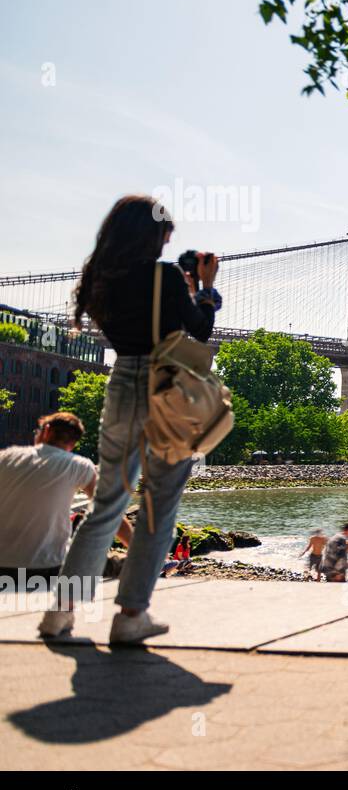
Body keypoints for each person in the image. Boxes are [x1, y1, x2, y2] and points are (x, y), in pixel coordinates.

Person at [39, 195, 221, 644]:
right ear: (151, 234)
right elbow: (199, 328)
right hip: (169, 391)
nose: (165, 243)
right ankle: (131, 615)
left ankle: (59, 613)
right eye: (164, 235)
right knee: (159, 508)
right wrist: (204, 287)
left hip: (122, 383)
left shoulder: (98, 279)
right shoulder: (163, 276)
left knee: (107, 505)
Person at [0, 413, 98, 591]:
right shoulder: (80, 465)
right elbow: (107, 511)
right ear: (73, 442)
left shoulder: (6, 457)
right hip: (48, 569)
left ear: (46, 431)